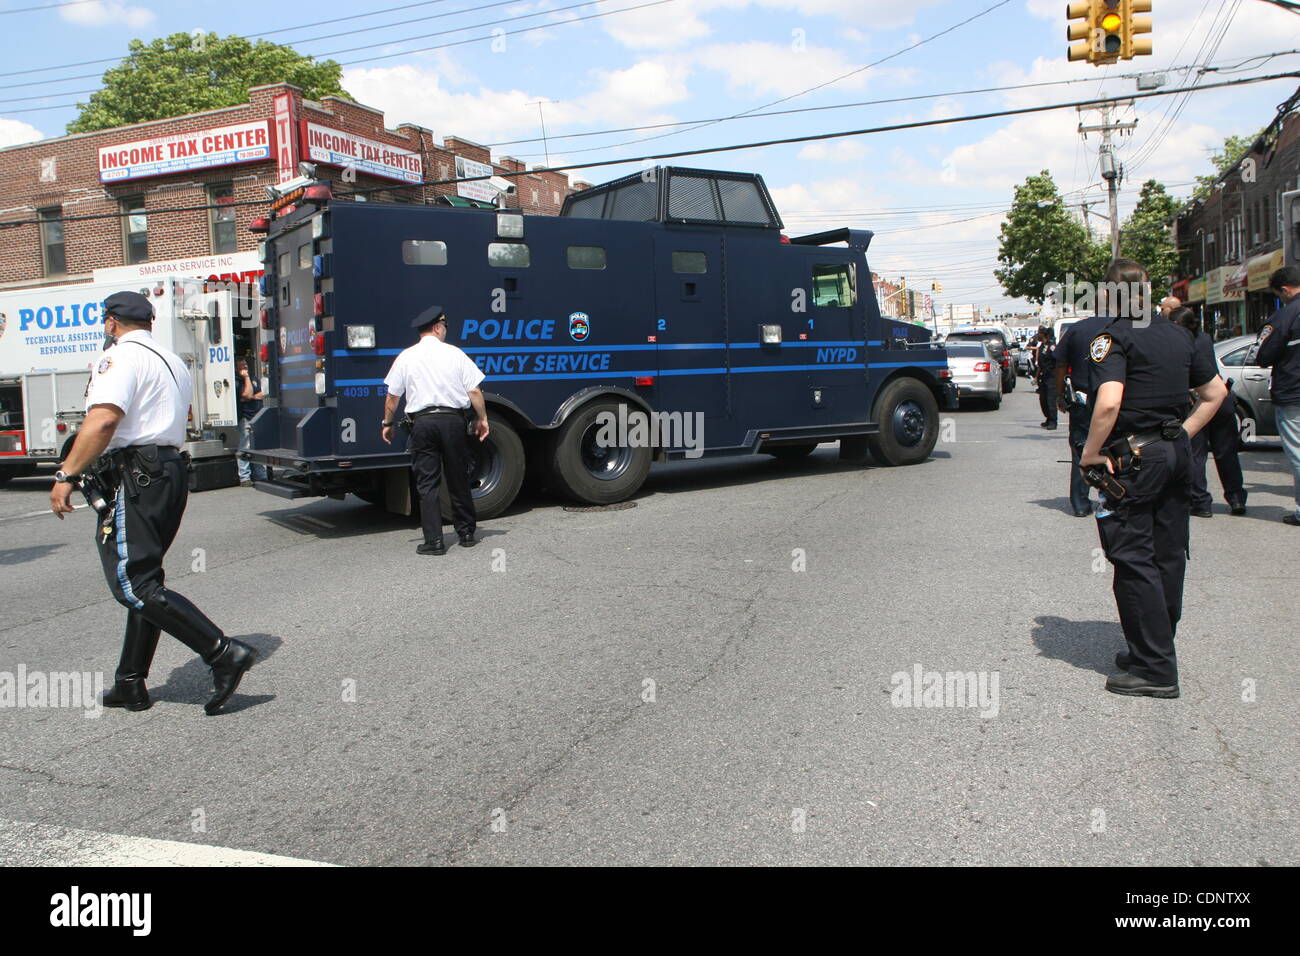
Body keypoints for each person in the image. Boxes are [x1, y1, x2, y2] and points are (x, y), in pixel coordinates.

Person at [49, 291, 255, 714]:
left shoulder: (119, 358)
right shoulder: (171, 359)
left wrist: (65, 475)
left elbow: (104, 419)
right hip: (168, 471)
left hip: (137, 474)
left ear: (111, 322)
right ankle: (130, 681)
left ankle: (221, 652)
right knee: (147, 579)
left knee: (133, 583)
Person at [1079, 259, 1227, 699]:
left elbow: (1108, 403)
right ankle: (1154, 647)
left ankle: (1154, 668)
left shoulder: (1111, 338)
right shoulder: (1182, 334)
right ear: (1146, 290)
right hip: (1177, 451)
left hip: (1136, 457)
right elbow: (1215, 393)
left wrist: (1089, 453)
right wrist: (1181, 434)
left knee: (1132, 557)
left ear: (1108, 294)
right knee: (1167, 552)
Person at [381, 305, 490, 555]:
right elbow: (474, 390)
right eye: (445, 328)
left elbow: (392, 397)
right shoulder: (455, 354)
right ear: (438, 328)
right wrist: (482, 418)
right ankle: (466, 534)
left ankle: (434, 542)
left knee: (427, 483)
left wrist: (387, 424)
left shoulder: (406, 357)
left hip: (423, 424)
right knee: (458, 476)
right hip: (453, 422)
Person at [1171, 307, 1246, 517]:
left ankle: (1201, 503)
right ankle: (1236, 498)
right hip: (1221, 398)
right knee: (1227, 452)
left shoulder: (1179, 341)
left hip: (1197, 402)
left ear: (1177, 325)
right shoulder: (1204, 338)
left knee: (1196, 454)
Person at [1054, 308, 1112, 516]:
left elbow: (1060, 363)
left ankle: (1080, 503)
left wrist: (1060, 394)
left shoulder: (1077, 330)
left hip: (1083, 398)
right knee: (1117, 447)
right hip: (1118, 397)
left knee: (1081, 448)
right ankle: (1114, 495)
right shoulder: (1124, 327)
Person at [1253, 266, 1300, 526]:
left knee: (1299, 454)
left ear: (1285, 290)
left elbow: (1263, 355)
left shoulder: (1284, 317)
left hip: (1293, 393)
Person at [236, 357, 267, 486]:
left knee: (258, 447)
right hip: (246, 418)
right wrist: (246, 378)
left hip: (257, 417)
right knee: (245, 447)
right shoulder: (238, 381)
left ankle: (260, 475)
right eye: (242, 366)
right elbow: (246, 395)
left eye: (246, 365)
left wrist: (253, 396)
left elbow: (263, 393)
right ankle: (244, 478)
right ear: (237, 369)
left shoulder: (254, 378)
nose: (245, 367)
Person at [1034, 326, 1058, 429]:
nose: (1038, 335)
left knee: (1050, 399)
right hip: (1043, 375)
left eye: (1039, 333)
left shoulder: (1052, 346)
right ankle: (1048, 418)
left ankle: (1053, 421)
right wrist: (1036, 376)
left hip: (1051, 376)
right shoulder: (1042, 346)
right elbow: (1040, 363)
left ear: (1043, 334)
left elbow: (1057, 360)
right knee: (1043, 399)